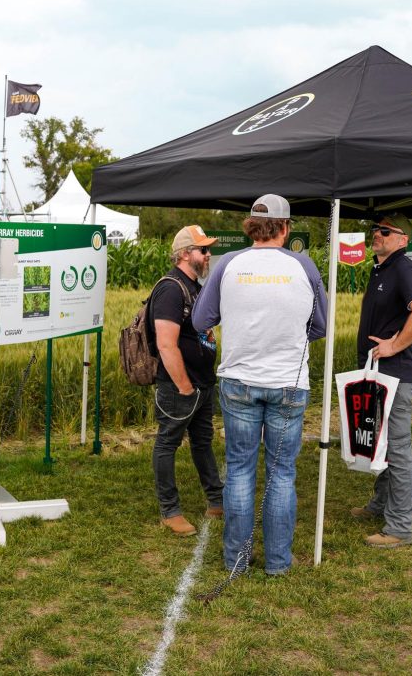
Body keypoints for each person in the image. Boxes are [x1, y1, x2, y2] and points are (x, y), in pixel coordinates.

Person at [193, 194, 327, 576]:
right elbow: (320, 325)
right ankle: (278, 564)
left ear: (251, 226)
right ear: (286, 228)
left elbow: (201, 318)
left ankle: (236, 561)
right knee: (282, 472)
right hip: (289, 382)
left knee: (239, 470)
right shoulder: (304, 266)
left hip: (239, 381)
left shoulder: (229, 263)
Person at [350, 213, 412, 548]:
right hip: (376, 372)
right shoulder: (381, 268)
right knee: (380, 443)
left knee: (397, 448)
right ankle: (380, 505)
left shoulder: (404, 268)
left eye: (385, 231)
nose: (376, 234)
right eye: (375, 229)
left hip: (395, 373)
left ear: (403, 239)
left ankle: (399, 527)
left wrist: (394, 345)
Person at [151, 225, 223, 536]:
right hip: (180, 386)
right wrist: (183, 387)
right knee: (167, 443)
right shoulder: (170, 288)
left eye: (208, 250)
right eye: (203, 250)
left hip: (202, 385)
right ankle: (170, 510)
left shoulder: (195, 286)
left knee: (202, 443)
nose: (208, 255)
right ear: (184, 254)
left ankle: (216, 499)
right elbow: (166, 344)